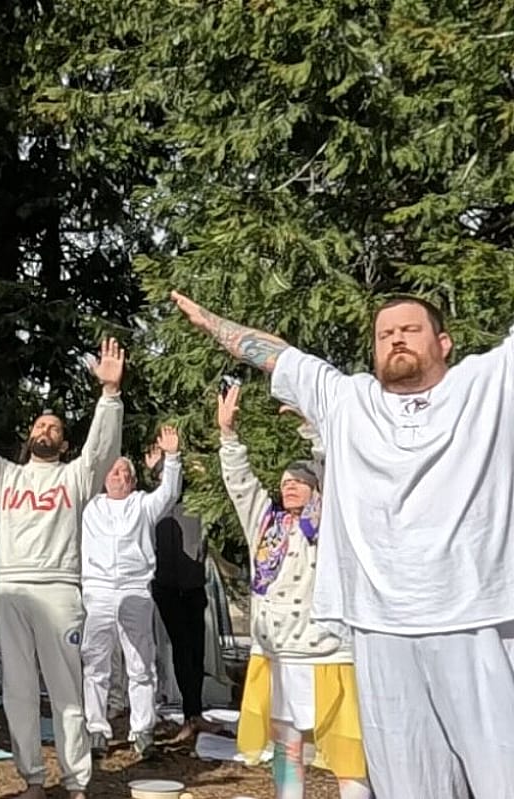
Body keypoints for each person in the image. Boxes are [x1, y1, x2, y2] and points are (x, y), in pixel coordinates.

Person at [172, 289, 514, 798]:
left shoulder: (488, 383)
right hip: (378, 629)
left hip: (473, 619)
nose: (396, 337)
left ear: (444, 343)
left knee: (500, 776)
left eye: (410, 329)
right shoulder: (347, 399)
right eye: (384, 334)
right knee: (407, 784)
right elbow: (274, 355)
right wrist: (211, 322)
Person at [0, 339, 125, 799]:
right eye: (39, 424)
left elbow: (103, 449)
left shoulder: (76, 476)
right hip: (9, 589)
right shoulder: (7, 476)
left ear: (64, 443)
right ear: (30, 436)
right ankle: (32, 779)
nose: (45, 429)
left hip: (60, 591)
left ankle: (77, 781)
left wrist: (109, 394)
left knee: (67, 693)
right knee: (19, 692)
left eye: (54, 427)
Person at [218, 385, 369, 798]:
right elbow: (241, 486)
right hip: (279, 653)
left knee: (347, 752)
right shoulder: (267, 526)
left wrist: (315, 432)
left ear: (317, 487)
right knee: (287, 745)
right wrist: (228, 436)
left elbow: (341, 478)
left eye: (299, 482)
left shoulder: (333, 526)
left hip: (328, 653)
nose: (289, 487)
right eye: (285, 482)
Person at [80, 427, 182, 760]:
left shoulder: (143, 505)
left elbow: (168, 493)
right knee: (96, 664)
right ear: (104, 478)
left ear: (133, 481)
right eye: (114, 471)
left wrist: (173, 457)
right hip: (97, 591)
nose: (119, 476)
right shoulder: (89, 507)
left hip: (135, 590)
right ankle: (96, 729)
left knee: (140, 664)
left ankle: (142, 731)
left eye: (125, 472)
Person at [149, 446, 215, 742]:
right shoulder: (153, 505)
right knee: (181, 648)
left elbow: (210, 486)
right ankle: (189, 714)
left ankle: (196, 712)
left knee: (196, 650)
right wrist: (153, 470)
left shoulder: (195, 503)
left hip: (193, 585)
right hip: (166, 586)